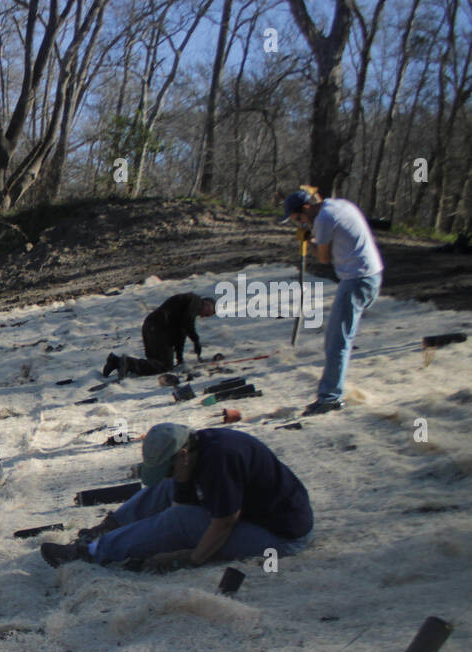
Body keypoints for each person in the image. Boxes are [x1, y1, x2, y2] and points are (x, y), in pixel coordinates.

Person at [40, 423, 313, 571]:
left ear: (182, 455)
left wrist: (190, 558)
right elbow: (178, 498)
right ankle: (107, 529)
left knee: (182, 520)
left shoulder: (221, 460)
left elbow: (225, 521)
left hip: (280, 537)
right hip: (250, 515)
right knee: (165, 489)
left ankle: (91, 552)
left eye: (168, 467)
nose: (169, 473)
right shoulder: (193, 451)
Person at [280, 187, 384, 415]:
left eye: (298, 219)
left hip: (358, 279)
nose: (298, 223)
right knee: (338, 339)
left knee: (337, 342)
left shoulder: (324, 219)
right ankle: (330, 394)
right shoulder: (339, 204)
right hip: (369, 275)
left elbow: (324, 257)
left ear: (306, 208)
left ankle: (330, 399)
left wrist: (308, 239)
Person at [102, 294, 215, 378]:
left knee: (155, 364)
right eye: (210, 313)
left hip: (151, 326)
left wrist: (180, 359)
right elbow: (187, 323)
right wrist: (196, 340)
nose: (204, 316)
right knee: (164, 367)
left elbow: (182, 332)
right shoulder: (194, 301)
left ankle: (116, 361)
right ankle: (127, 362)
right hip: (158, 328)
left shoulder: (186, 307)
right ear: (208, 304)